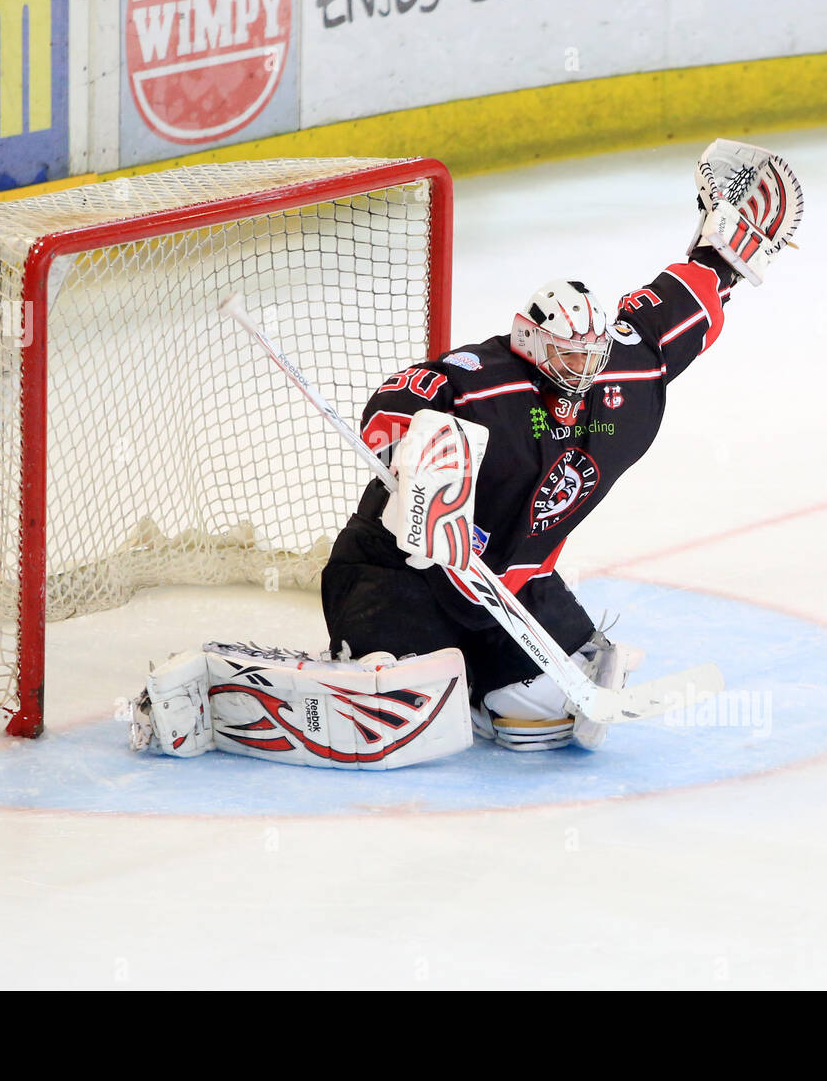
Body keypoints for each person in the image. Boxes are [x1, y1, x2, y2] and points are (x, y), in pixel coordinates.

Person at [320, 138, 802, 752]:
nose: (584, 369)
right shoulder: (481, 383)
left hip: (510, 585)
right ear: (530, 342)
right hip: (399, 573)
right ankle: (366, 671)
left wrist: (726, 251)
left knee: (546, 715)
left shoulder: (623, 372)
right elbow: (392, 405)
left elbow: (686, 299)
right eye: (569, 356)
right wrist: (416, 456)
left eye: (591, 354)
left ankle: (476, 682)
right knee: (404, 714)